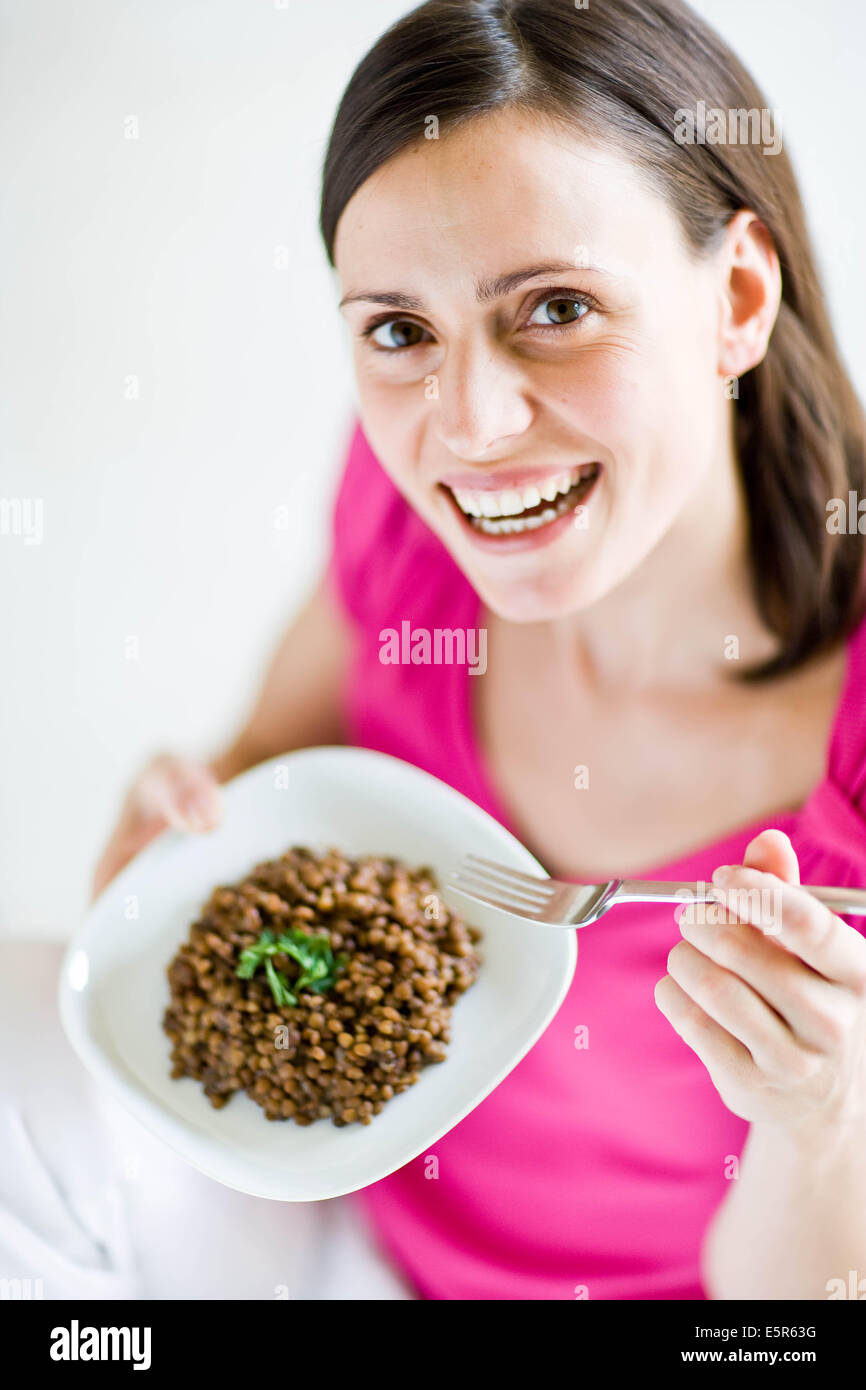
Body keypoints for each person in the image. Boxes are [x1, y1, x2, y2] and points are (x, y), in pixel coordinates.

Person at [92, 0, 866, 1299]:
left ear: (735, 297)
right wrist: (190, 819)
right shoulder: (403, 515)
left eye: (554, 306)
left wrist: (817, 1114)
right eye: (399, 331)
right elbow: (275, 748)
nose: (470, 424)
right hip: (326, 1210)